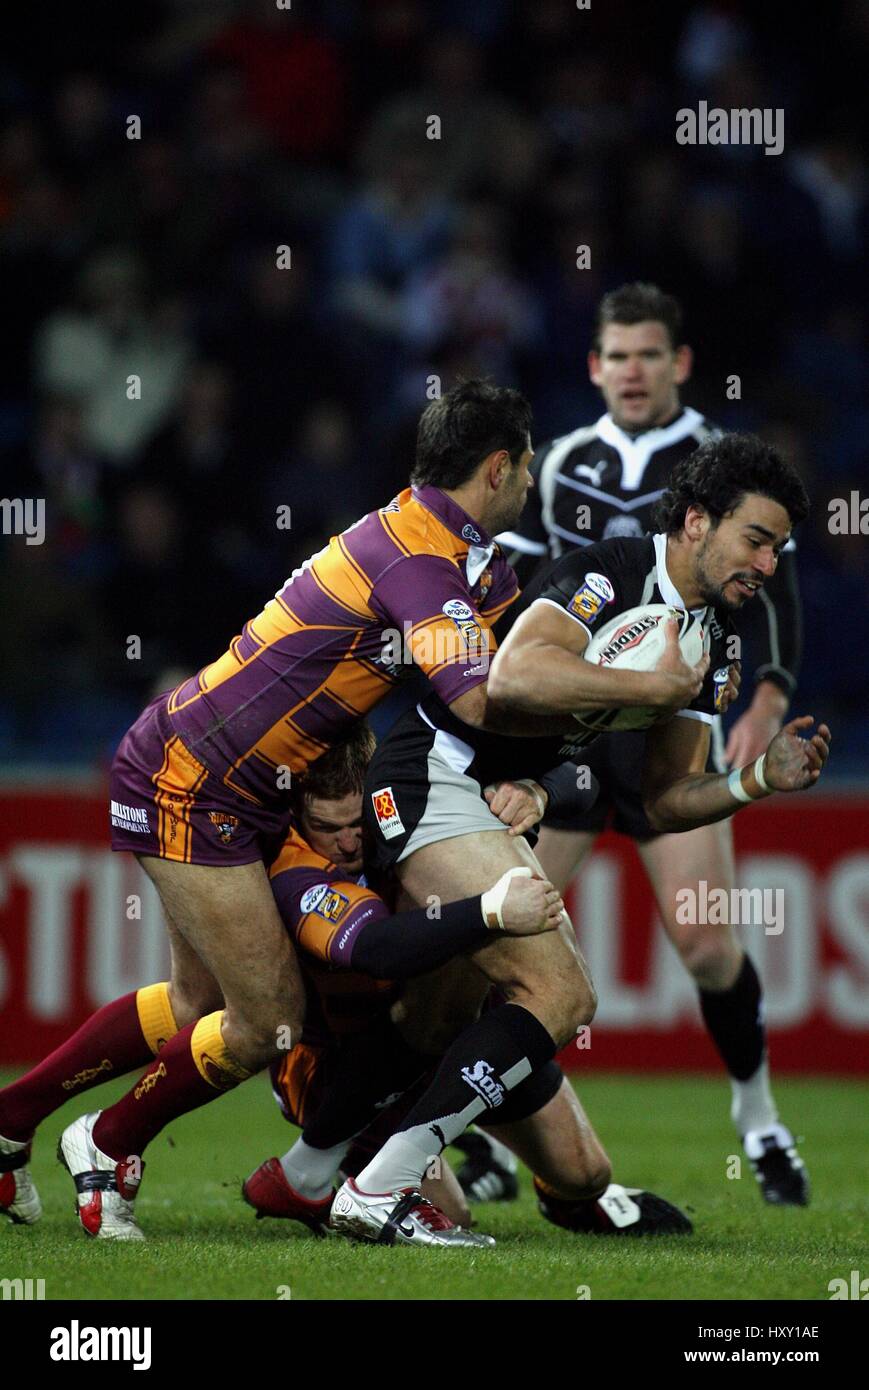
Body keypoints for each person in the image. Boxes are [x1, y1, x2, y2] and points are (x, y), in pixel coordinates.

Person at [327, 433, 829, 1247]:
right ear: (696, 521)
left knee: (438, 1025)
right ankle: (377, 1187)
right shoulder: (609, 572)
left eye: (778, 549)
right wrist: (651, 686)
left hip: (482, 807)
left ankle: (315, 1167)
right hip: (431, 775)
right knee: (561, 992)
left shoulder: (714, 637)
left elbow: (663, 801)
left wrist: (756, 781)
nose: (768, 566)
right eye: (756, 540)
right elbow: (515, 675)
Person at [493, 282, 809, 1203]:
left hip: (678, 726)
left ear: (680, 364)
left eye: (648, 354)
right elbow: (516, 592)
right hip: (574, 739)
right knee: (501, 935)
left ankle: (757, 1118)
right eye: (615, 355)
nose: (631, 371)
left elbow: (775, 588)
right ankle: (478, 1135)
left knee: (707, 948)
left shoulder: (723, 461)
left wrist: (772, 693)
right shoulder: (553, 467)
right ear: (594, 366)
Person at [242, 727, 692, 1246]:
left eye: (356, 822)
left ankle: (309, 1174)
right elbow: (376, 949)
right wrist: (491, 908)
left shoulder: (413, 808)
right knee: (452, 1210)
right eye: (326, 826)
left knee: (585, 1176)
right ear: (299, 815)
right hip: (339, 1065)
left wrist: (536, 793)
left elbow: (586, 780)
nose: (347, 842)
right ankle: (323, 1162)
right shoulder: (294, 869)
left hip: (443, 1030)